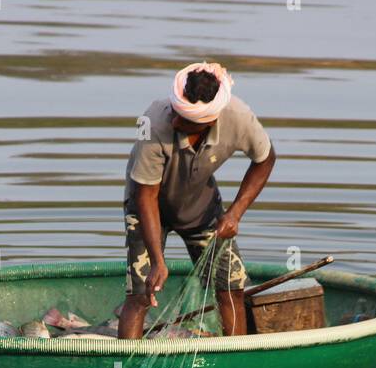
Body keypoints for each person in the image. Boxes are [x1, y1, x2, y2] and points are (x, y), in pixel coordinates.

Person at [118, 62, 276, 339]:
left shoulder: (238, 117)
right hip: (148, 210)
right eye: (176, 113)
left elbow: (265, 159)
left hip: (200, 208)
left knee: (231, 287)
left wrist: (235, 214)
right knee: (142, 293)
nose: (175, 122)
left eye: (186, 121)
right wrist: (157, 261)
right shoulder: (153, 122)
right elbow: (146, 195)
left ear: (210, 121)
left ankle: (234, 363)